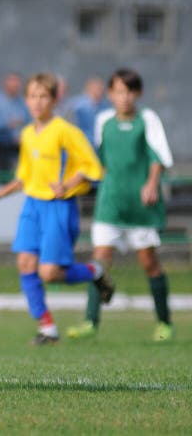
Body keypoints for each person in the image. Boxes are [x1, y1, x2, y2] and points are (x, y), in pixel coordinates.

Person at [0, 72, 114, 345]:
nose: (37, 102)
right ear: (26, 100)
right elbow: (24, 176)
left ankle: (95, 272)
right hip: (33, 205)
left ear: (53, 100)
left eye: (43, 96)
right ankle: (47, 328)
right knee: (25, 263)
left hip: (58, 208)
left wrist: (68, 183)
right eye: (32, 96)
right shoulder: (28, 134)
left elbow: (92, 166)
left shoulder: (65, 131)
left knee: (50, 273)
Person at [67, 68, 175, 342]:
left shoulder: (147, 119)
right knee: (100, 260)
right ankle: (90, 322)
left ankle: (164, 323)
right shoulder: (103, 120)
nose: (124, 97)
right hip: (110, 204)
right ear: (110, 94)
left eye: (129, 92)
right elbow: (97, 160)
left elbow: (159, 156)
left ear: (137, 93)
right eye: (118, 91)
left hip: (141, 206)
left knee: (149, 262)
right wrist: (74, 180)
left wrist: (151, 183)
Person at [0, 73, 30, 172]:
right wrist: (7, 125)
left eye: (16, 82)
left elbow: (29, 123)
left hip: (19, 143)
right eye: (11, 81)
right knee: (3, 158)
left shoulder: (23, 103)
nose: (14, 85)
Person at [68, 76, 110, 145]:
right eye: (97, 88)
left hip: (99, 143)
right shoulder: (77, 105)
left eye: (101, 88)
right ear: (89, 89)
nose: (100, 91)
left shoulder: (105, 106)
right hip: (81, 141)